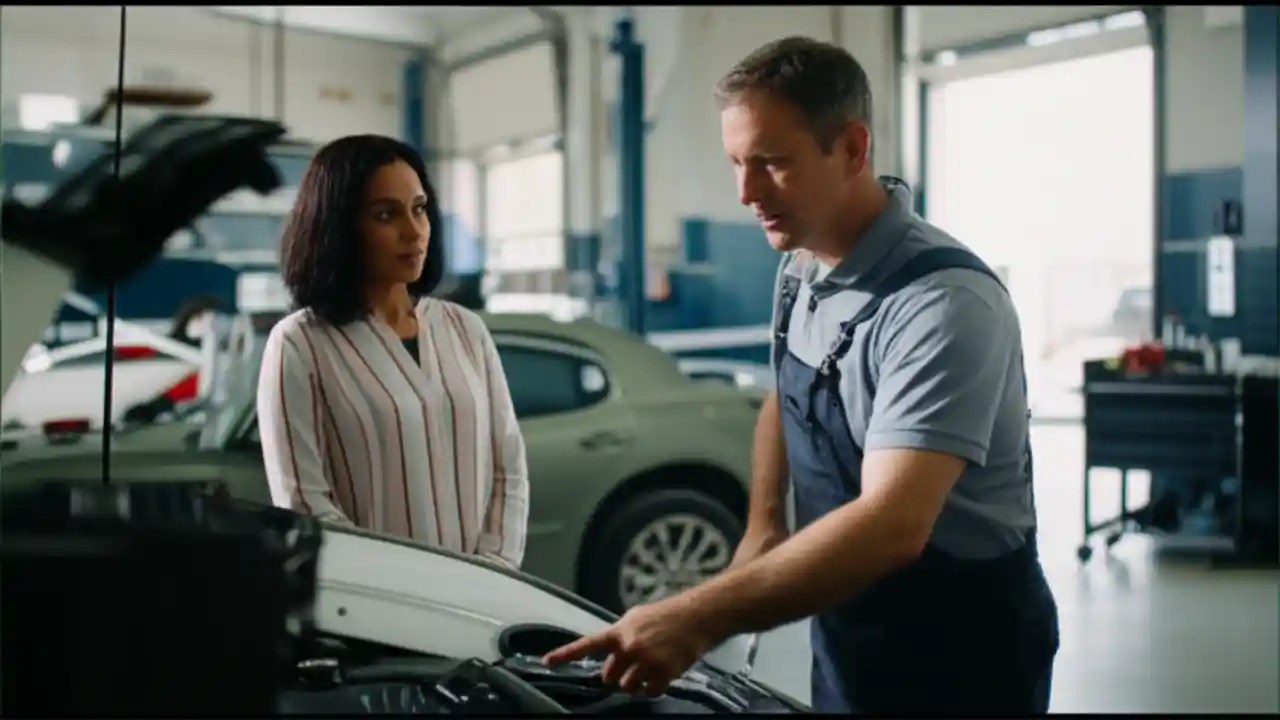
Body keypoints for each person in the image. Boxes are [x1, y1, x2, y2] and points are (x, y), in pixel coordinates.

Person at [544, 36, 1059, 713]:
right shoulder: (801, 264)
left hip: (963, 644)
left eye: (773, 163)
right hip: (851, 624)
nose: (746, 193)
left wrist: (699, 615)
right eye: (737, 163)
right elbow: (784, 397)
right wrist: (763, 526)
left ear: (852, 148)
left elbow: (893, 523)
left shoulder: (943, 304)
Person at [256, 134, 528, 570]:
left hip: (482, 595)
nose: (413, 231)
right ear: (340, 227)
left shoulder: (465, 330)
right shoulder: (300, 344)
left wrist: (492, 572)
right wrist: (401, 589)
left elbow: (508, 468)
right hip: (373, 601)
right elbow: (304, 502)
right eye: (386, 215)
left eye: (419, 209)